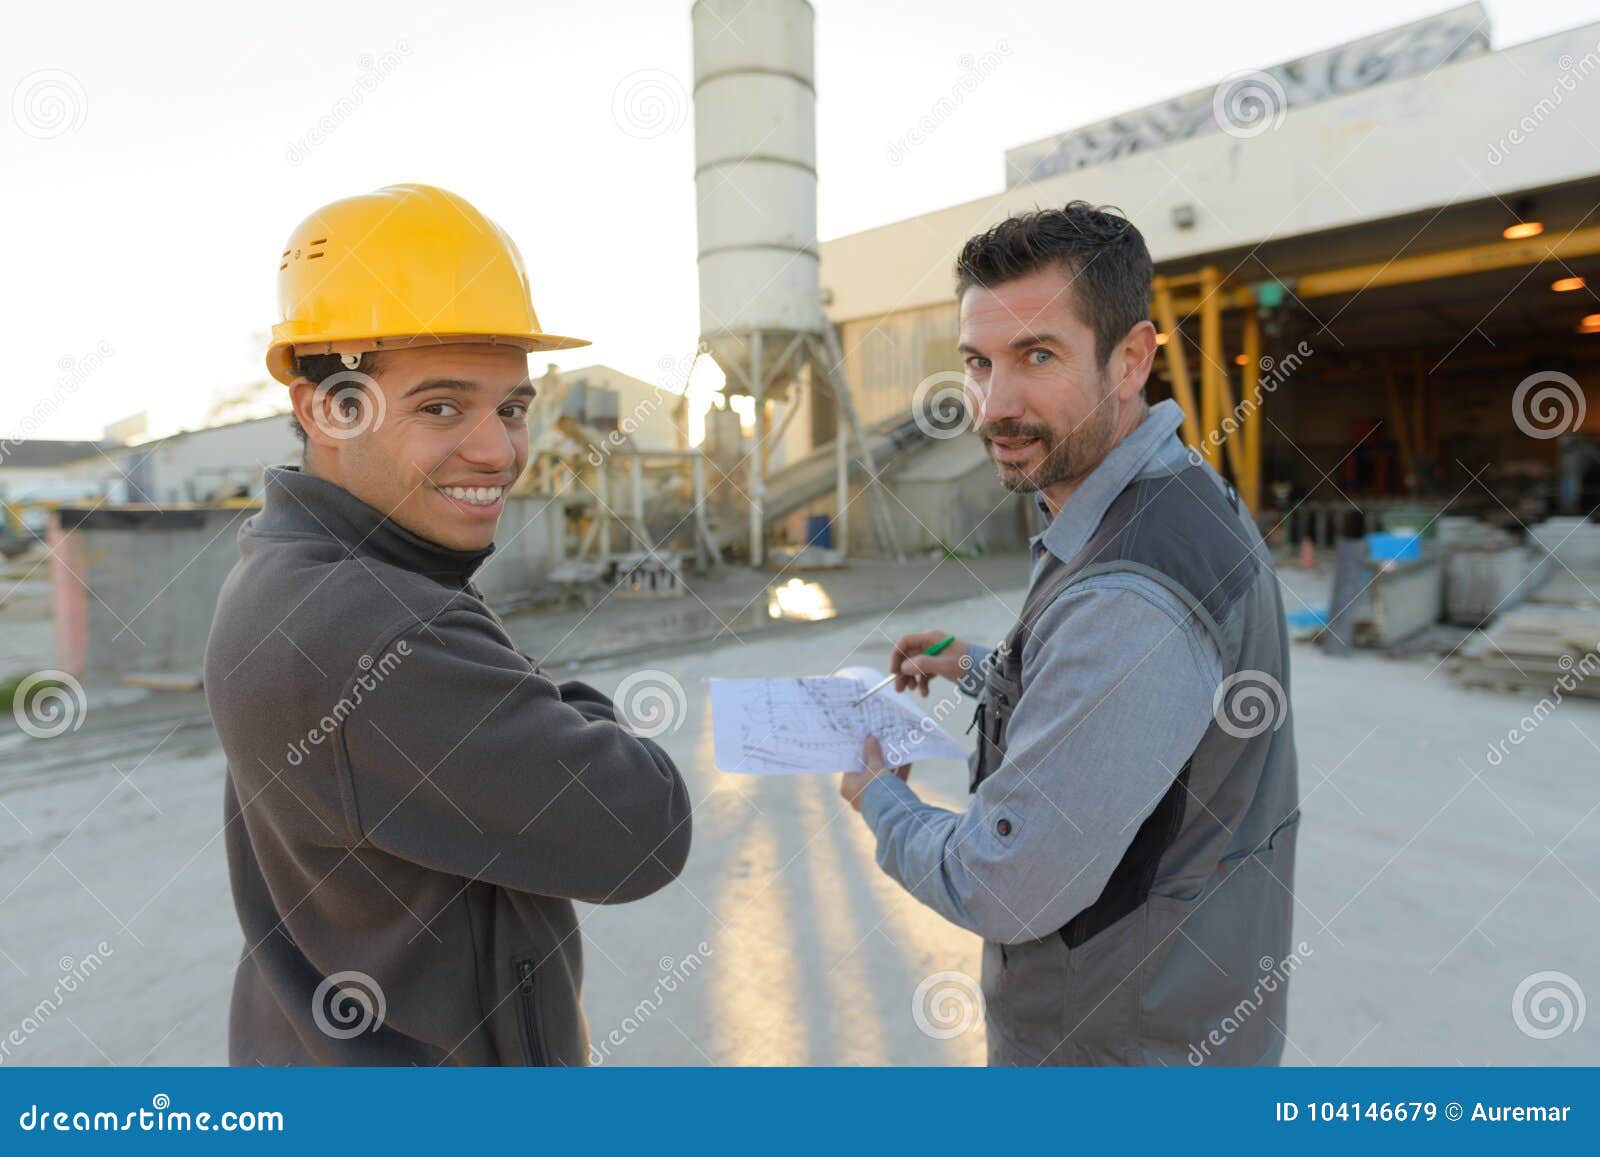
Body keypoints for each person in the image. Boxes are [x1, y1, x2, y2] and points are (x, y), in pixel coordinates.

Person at [205, 183, 692, 1065]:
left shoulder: (282, 561)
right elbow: (645, 827)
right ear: (327, 406)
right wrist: (555, 698)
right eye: (441, 406)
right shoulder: (376, 627)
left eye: (511, 407)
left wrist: (514, 689)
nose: (499, 450)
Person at [839, 201, 1300, 1066]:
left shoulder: (1131, 593)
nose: (995, 403)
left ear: (1130, 360)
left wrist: (881, 798)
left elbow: (1003, 882)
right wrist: (978, 666)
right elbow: (1132, 714)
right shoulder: (1158, 494)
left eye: (1037, 355)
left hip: (1113, 1046)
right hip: (1186, 1006)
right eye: (978, 363)